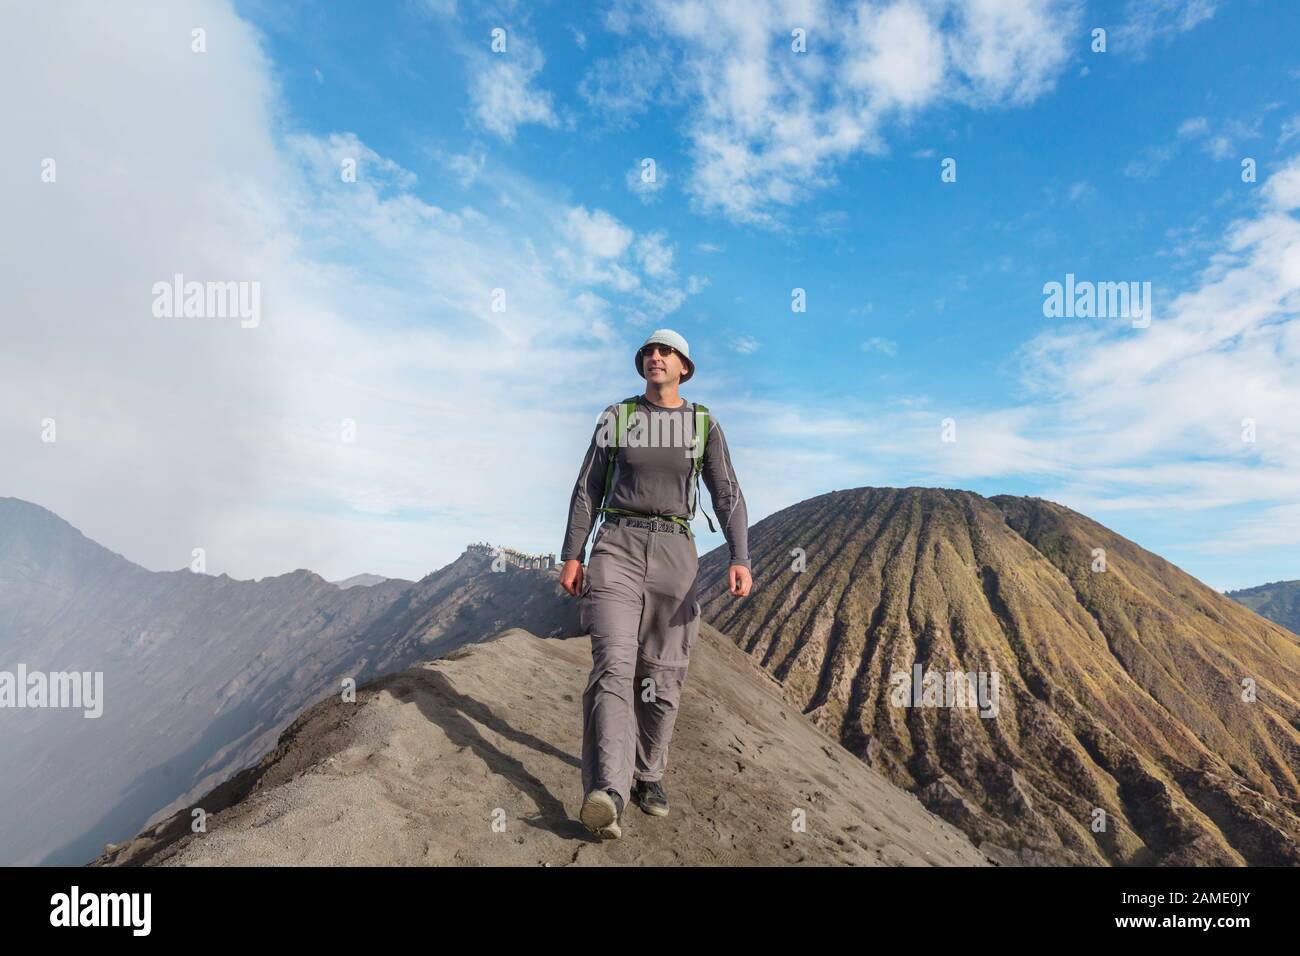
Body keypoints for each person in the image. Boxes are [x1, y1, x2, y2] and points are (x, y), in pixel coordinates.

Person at [559, 328, 752, 840]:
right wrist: (573, 554)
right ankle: (609, 792)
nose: (655, 357)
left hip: (675, 551)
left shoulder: (703, 424)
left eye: (666, 352)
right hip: (617, 546)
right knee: (614, 666)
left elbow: (728, 493)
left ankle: (649, 774)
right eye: (648, 351)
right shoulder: (617, 417)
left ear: (684, 367)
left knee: (662, 677)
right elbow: (587, 489)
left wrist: (741, 557)